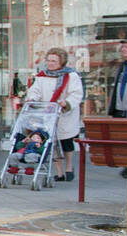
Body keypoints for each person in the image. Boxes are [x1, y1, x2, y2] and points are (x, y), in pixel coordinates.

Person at [26, 47, 84, 182]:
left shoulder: (71, 76)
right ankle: (59, 172)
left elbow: (76, 93)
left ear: (62, 62)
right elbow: (35, 90)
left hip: (65, 114)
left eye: (54, 61)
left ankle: (69, 167)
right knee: (52, 141)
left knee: (66, 141)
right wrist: (32, 99)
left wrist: (67, 102)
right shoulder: (42, 76)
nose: (50, 63)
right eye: (49, 60)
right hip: (48, 113)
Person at [108, 39, 127, 177]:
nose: (122, 49)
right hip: (121, 108)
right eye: (122, 47)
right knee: (124, 139)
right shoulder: (123, 67)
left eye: (126, 47)